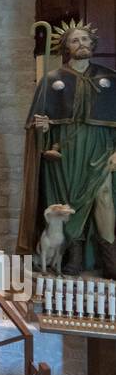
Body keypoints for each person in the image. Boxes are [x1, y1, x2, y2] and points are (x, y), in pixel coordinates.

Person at [19, 19, 116, 274]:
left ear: (92, 44)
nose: (81, 44)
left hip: (100, 146)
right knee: (66, 200)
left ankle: (109, 257)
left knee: (103, 196)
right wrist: (42, 126)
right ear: (65, 47)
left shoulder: (109, 78)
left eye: (85, 39)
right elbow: (38, 124)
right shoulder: (52, 79)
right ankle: (74, 254)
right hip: (65, 148)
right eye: (75, 40)